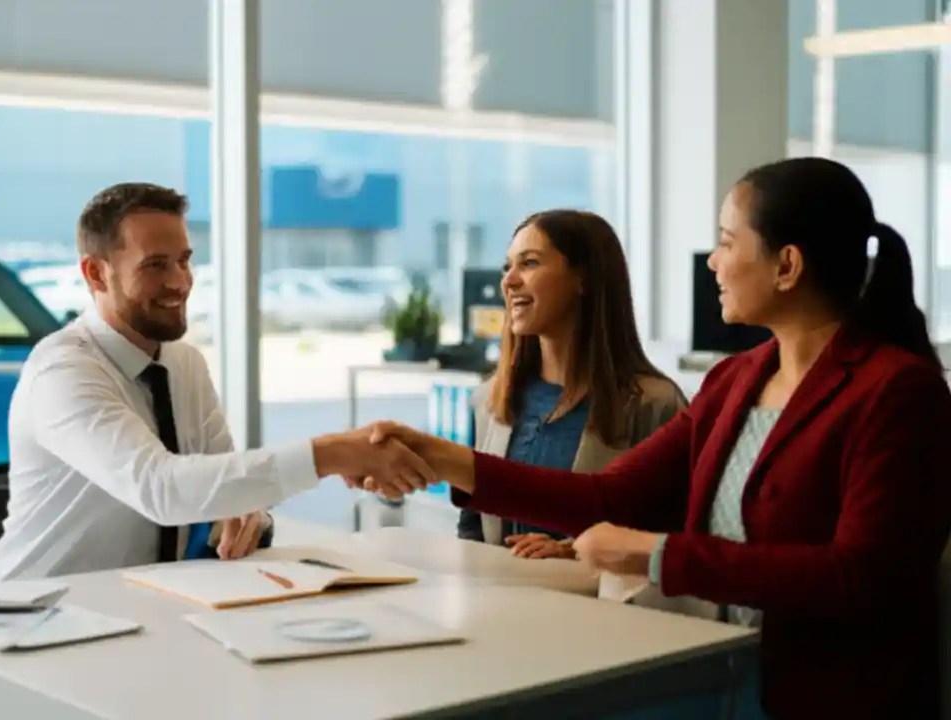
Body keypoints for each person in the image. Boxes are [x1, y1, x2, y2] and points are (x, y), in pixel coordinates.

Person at [360, 158, 951, 718]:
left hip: (825, 700)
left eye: (726, 242)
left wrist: (658, 554)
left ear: (787, 266)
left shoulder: (897, 392)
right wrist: (442, 459)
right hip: (717, 671)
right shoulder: (734, 380)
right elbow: (606, 497)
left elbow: (859, 578)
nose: (713, 264)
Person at [0, 183, 432, 580]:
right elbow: (161, 488)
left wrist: (246, 512)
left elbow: (216, 482)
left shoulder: (184, 364)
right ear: (95, 273)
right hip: (35, 615)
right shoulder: (63, 371)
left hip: (140, 609)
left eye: (184, 260)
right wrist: (330, 454)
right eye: (156, 265)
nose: (179, 282)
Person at [459, 210, 685, 560]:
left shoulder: (655, 405)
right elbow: (472, 533)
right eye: (508, 267)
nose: (509, 281)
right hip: (502, 605)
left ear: (584, 279)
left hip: (602, 610)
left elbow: (676, 536)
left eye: (529, 263)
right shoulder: (488, 401)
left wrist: (576, 551)